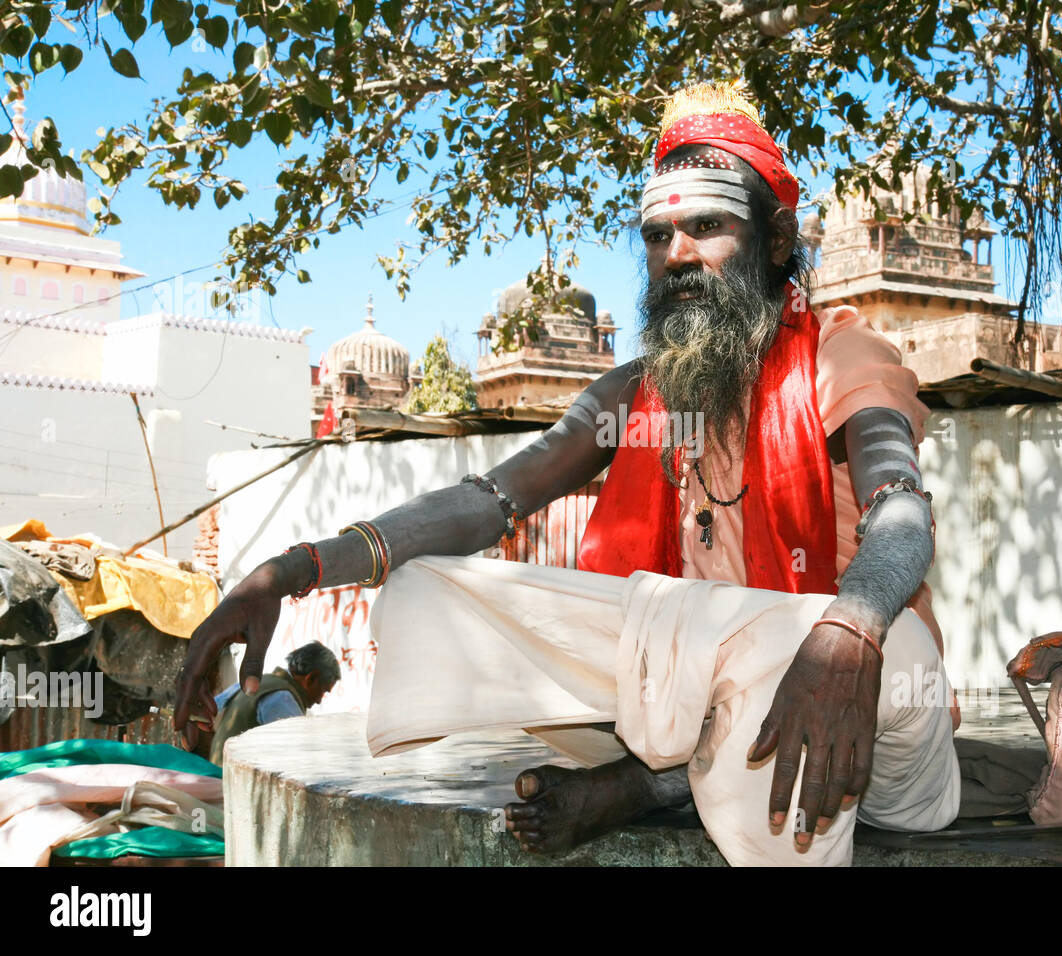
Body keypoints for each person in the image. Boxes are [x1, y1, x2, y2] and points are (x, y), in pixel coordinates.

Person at [176, 81, 960, 864]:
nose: (677, 255)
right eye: (658, 236)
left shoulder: (839, 359)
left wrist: (851, 627)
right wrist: (292, 571)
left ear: (779, 239)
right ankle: (669, 769)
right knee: (427, 594)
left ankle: (651, 782)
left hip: (864, 691)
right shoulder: (634, 393)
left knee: (809, 649)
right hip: (697, 693)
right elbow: (490, 502)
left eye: (707, 227)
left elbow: (902, 509)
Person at [206, 641, 340, 767]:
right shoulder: (282, 699)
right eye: (323, 691)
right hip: (231, 783)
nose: (319, 700)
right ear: (311, 678)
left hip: (220, 771)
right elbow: (296, 756)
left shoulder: (258, 683)